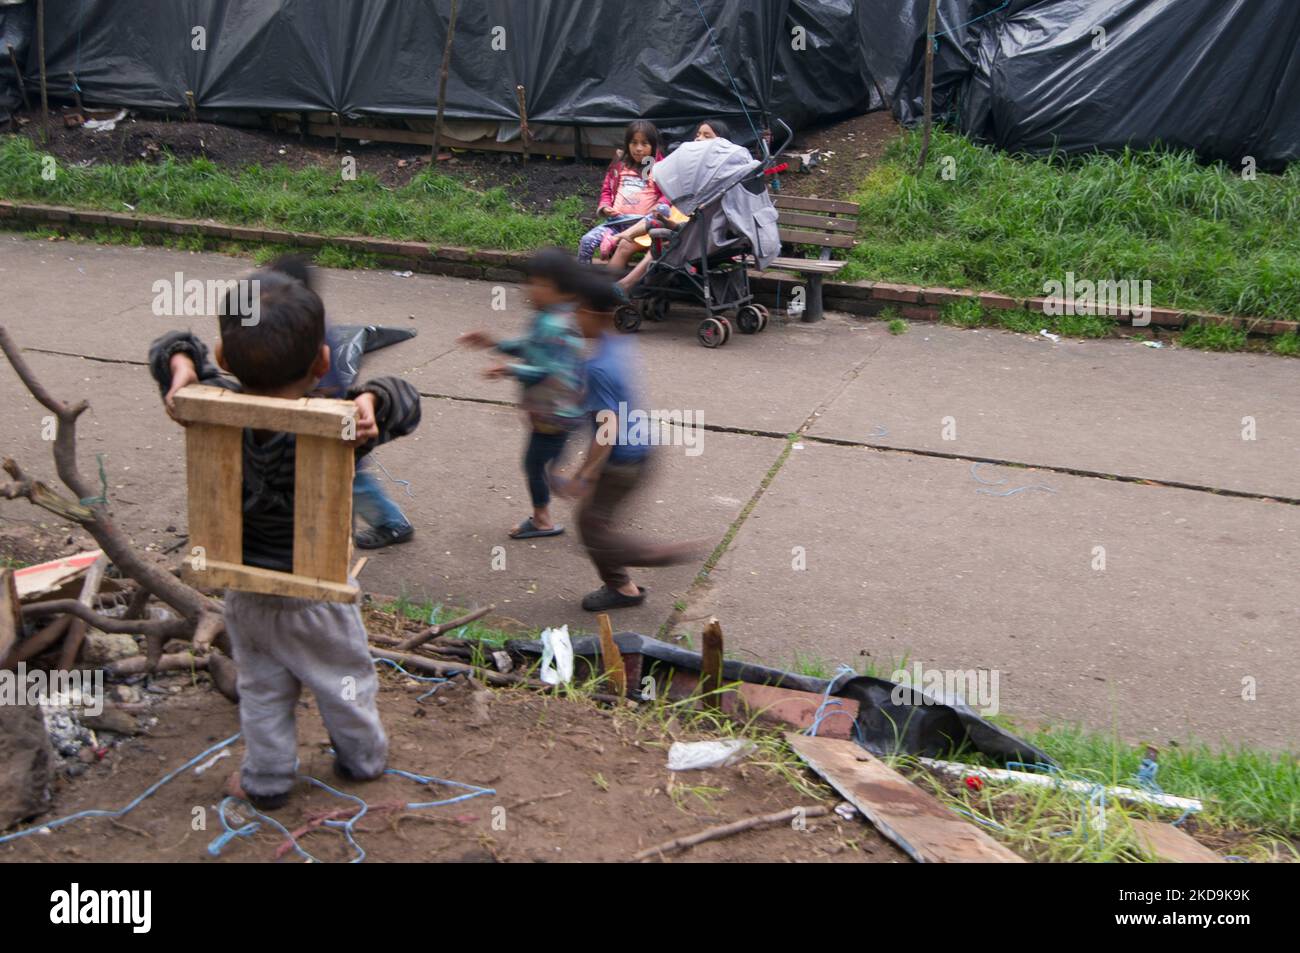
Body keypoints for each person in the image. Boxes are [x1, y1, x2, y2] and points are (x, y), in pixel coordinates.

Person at [148, 256, 421, 811]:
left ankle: (268, 780)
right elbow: (406, 401)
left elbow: (172, 344)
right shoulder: (340, 422)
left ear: (222, 357)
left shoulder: (209, 404)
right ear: (323, 361)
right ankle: (363, 760)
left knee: (263, 691)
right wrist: (370, 400)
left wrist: (180, 365)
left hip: (245, 593)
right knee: (345, 683)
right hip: (316, 596)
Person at [556, 270, 705, 611]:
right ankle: (622, 587)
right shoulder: (617, 344)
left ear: (595, 314)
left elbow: (607, 429)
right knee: (591, 523)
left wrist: (585, 474)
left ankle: (661, 557)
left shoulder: (598, 366)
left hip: (624, 459)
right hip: (639, 449)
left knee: (595, 530)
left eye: (576, 311)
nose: (572, 318)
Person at [458, 248, 586, 539]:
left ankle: (550, 513)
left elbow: (545, 369)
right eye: (531, 281)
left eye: (541, 284)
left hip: (557, 413)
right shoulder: (549, 317)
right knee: (541, 463)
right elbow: (530, 347)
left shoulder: (556, 322)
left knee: (536, 464)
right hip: (552, 410)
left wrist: (508, 370)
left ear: (562, 291)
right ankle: (571, 491)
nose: (531, 290)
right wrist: (493, 343)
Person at [577, 120, 664, 264]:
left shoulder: (659, 167)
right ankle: (582, 280)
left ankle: (612, 240)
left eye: (644, 144)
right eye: (634, 143)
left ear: (653, 146)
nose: (638, 148)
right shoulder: (620, 165)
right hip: (615, 223)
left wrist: (659, 204)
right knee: (587, 241)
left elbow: (667, 194)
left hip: (642, 225)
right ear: (627, 144)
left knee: (663, 210)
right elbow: (606, 190)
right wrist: (605, 207)